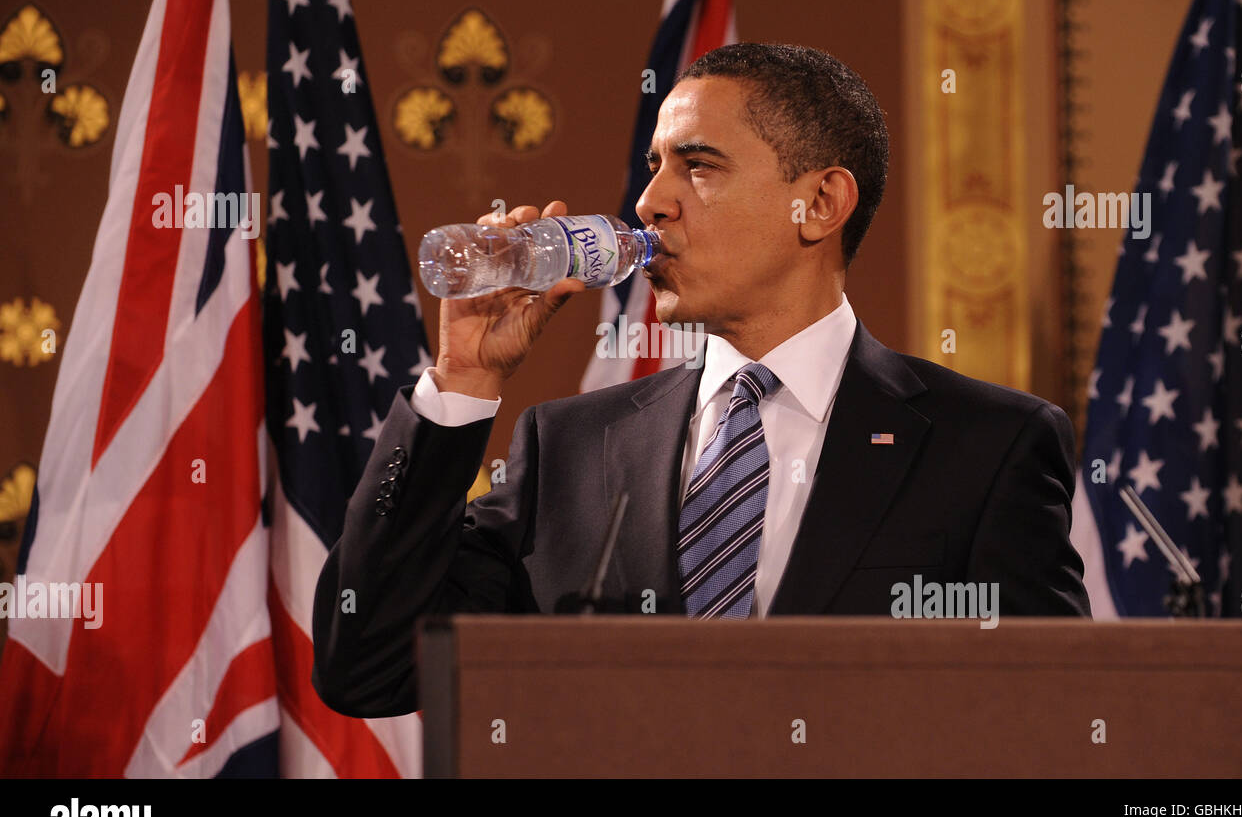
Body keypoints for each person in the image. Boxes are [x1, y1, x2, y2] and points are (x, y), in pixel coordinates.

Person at [312, 43, 1090, 719]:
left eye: (697, 165)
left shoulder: (986, 448)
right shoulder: (571, 448)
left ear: (818, 203)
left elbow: (1048, 718)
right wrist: (463, 382)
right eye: (655, 166)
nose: (650, 201)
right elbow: (369, 666)